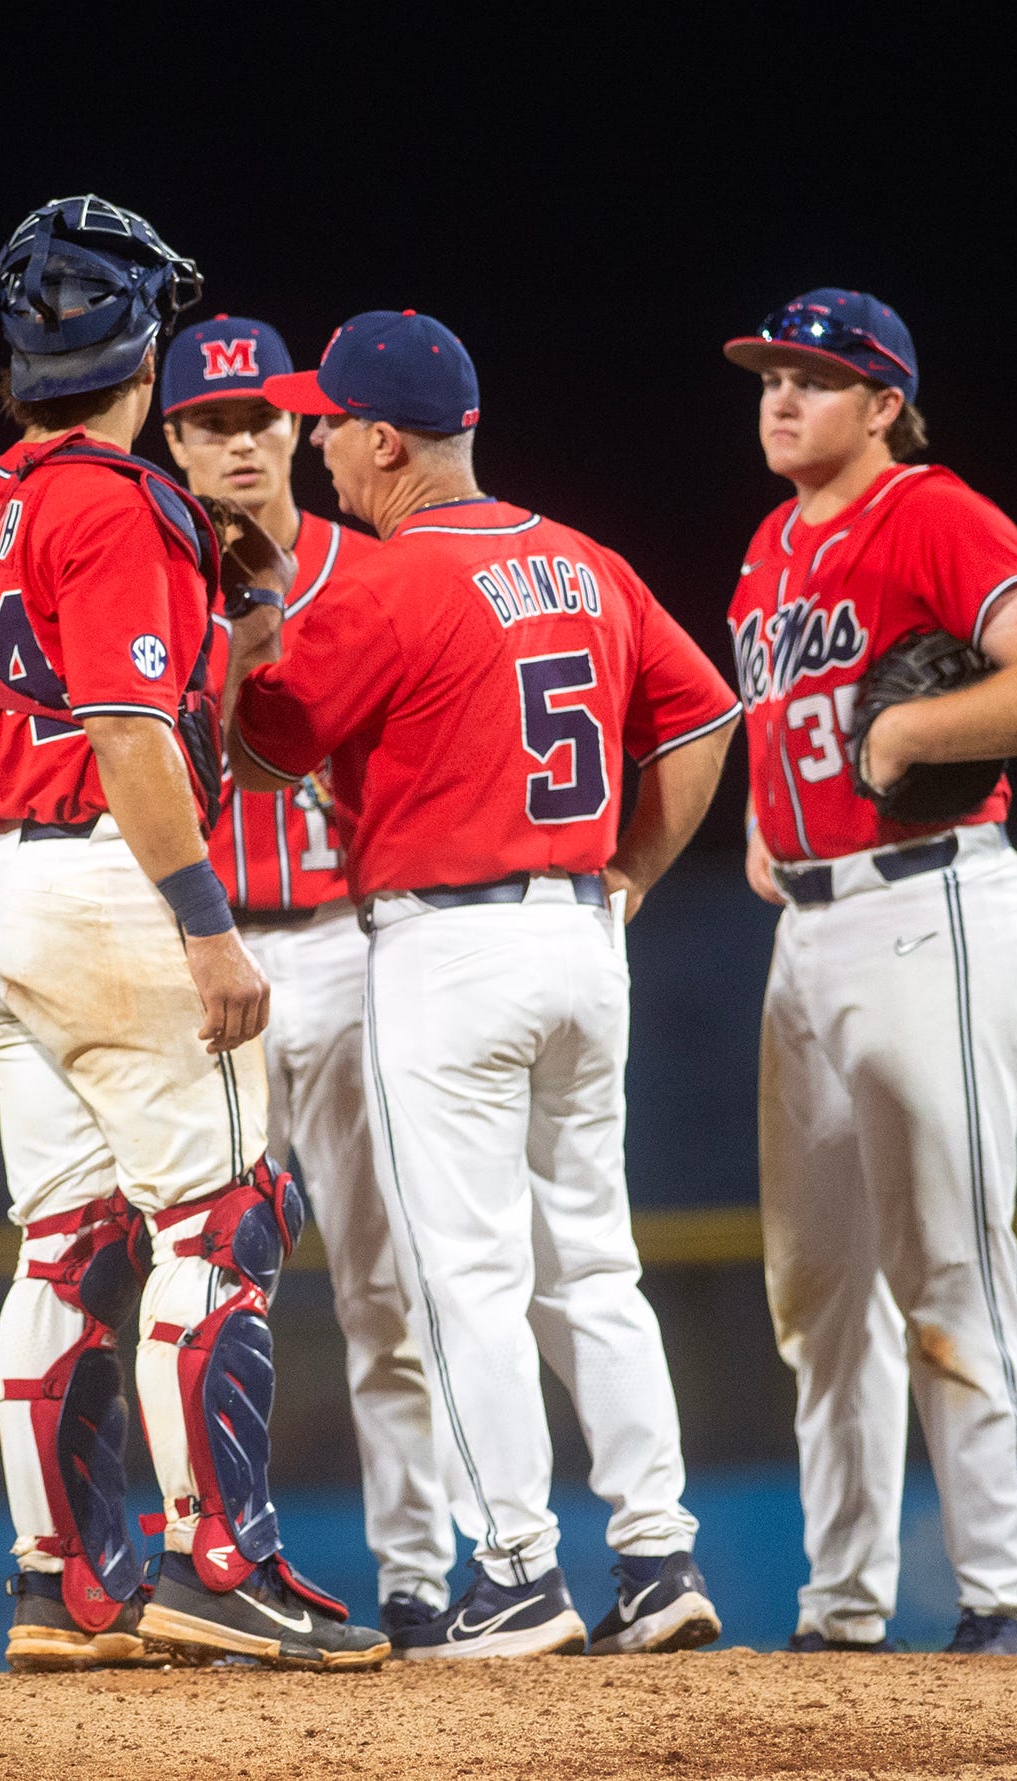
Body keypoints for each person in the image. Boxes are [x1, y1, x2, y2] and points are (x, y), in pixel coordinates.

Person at [0, 197, 387, 1672]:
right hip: (113, 885)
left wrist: (222, 628)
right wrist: (206, 928)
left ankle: (59, 1583)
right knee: (225, 1218)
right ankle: (214, 1564)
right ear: (140, 345)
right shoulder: (112, 500)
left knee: (69, 1239)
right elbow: (127, 729)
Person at [231, 311, 738, 1660]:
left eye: (329, 421)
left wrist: (234, 632)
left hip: (447, 947)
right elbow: (701, 716)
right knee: (592, 1261)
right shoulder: (581, 559)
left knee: (464, 1271)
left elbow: (275, 745)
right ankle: (657, 1552)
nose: (319, 442)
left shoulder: (390, 582)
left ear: (384, 437)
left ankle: (515, 1566)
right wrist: (628, 873)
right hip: (579, 931)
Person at [721, 289, 1017, 1657]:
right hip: (811, 928)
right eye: (769, 374)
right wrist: (775, 815)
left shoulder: (932, 510)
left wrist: (910, 739)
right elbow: (786, 730)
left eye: (813, 379)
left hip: (933, 903)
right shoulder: (768, 549)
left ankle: (999, 1599)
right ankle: (841, 1608)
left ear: (882, 404)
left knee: (945, 1263)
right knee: (816, 1292)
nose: (779, 397)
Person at [156, 316, 450, 1639]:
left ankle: (419, 1573)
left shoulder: (372, 570)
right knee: (200, 1278)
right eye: (204, 423)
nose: (235, 441)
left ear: (294, 428)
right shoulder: (147, 580)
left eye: (255, 419)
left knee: (389, 1282)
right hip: (201, 957)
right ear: (168, 439)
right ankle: (206, 1564)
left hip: (345, 940)